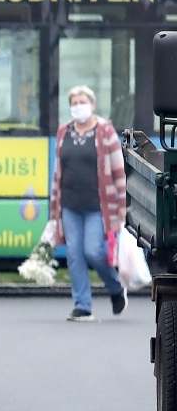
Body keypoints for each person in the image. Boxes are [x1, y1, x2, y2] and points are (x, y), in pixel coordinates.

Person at [48, 85, 127, 322]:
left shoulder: (105, 131)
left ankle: (115, 288)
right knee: (74, 254)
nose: (78, 106)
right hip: (70, 204)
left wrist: (122, 203)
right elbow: (58, 171)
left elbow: (117, 169)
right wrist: (54, 208)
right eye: (74, 103)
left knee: (93, 251)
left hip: (98, 206)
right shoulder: (64, 131)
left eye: (82, 102)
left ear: (92, 104)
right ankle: (82, 306)